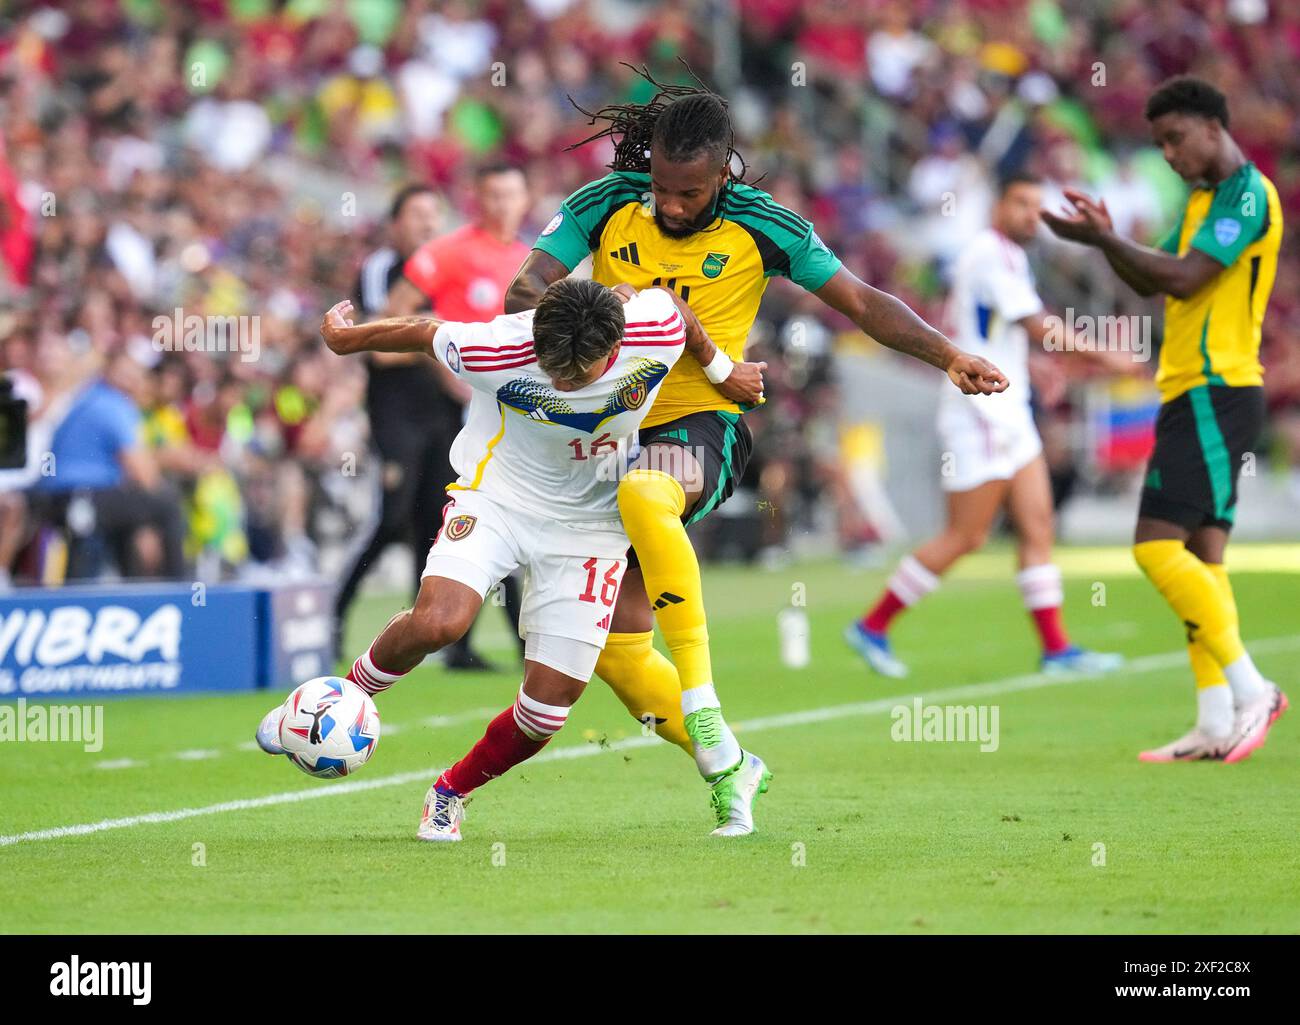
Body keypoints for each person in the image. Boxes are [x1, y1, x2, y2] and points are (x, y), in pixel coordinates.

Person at [506, 68, 1008, 833]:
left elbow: (862, 300)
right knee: (614, 653)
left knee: (648, 492)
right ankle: (734, 764)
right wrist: (620, 312)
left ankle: (703, 704)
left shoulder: (761, 224)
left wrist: (948, 355)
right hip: (602, 429)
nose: (670, 206)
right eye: (661, 190)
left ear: (721, 172)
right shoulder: (604, 203)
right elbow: (522, 292)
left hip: (699, 424)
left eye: (688, 193)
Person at [257, 280, 770, 840]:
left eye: (580, 373)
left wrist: (720, 368)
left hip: (590, 525)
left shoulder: (653, 327)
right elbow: (424, 332)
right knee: (439, 621)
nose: (564, 382)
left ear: (619, 344)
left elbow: (678, 311)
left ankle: (450, 790)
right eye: (554, 371)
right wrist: (345, 338)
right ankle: (339, 696)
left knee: (547, 712)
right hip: (498, 497)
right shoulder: (496, 346)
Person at [1041, 76, 1287, 761]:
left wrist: (1106, 239)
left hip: (1217, 388)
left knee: (1155, 547)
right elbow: (1155, 277)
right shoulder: (1206, 199)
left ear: (1214, 126)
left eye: (1175, 139)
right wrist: (1103, 240)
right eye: (1159, 145)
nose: (1169, 154)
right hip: (1196, 391)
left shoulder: (1247, 195)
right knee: (1204, 558)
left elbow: (1184, 278)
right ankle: (1213, 718)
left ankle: (1252, 687)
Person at [848, 173, 1124, 677]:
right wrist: (1106, 355)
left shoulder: (1011, 257)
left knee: (1038, 526)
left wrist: (1030, 366)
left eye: (1037, 207)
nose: (1029, 214)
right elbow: (1037, 325)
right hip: (979, 411)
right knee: (966, 536)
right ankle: (873, 626)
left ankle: (1057, 649)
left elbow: (992, 330)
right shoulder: (988, 254)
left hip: (1009, 409)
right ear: (997, 205)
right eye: (1020, 201)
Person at [382, 164, 538, 669]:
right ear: (477, 199)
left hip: (515, 418)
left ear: (525, 200)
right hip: (457, 419)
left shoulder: (533, 263)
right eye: (492, 194)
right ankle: (434, 639)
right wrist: (446, 355)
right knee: (447, 522)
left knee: (500, 523)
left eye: (510, 194)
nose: (502, 205)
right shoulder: (446, 252)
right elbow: (388, 332)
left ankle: (478, 643)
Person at [332, 183, 449, 661]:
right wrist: (436, 342)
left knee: (438, 522)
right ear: (395, 223)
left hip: (444, 413)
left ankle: (434, 639)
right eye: (417, 213)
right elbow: (380, 348)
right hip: (396, 415)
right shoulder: (381, 269)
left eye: (433, 214)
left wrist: (433, 339)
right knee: (394, 516)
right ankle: (336, 611)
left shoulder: (444, 267)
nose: (428, 223)